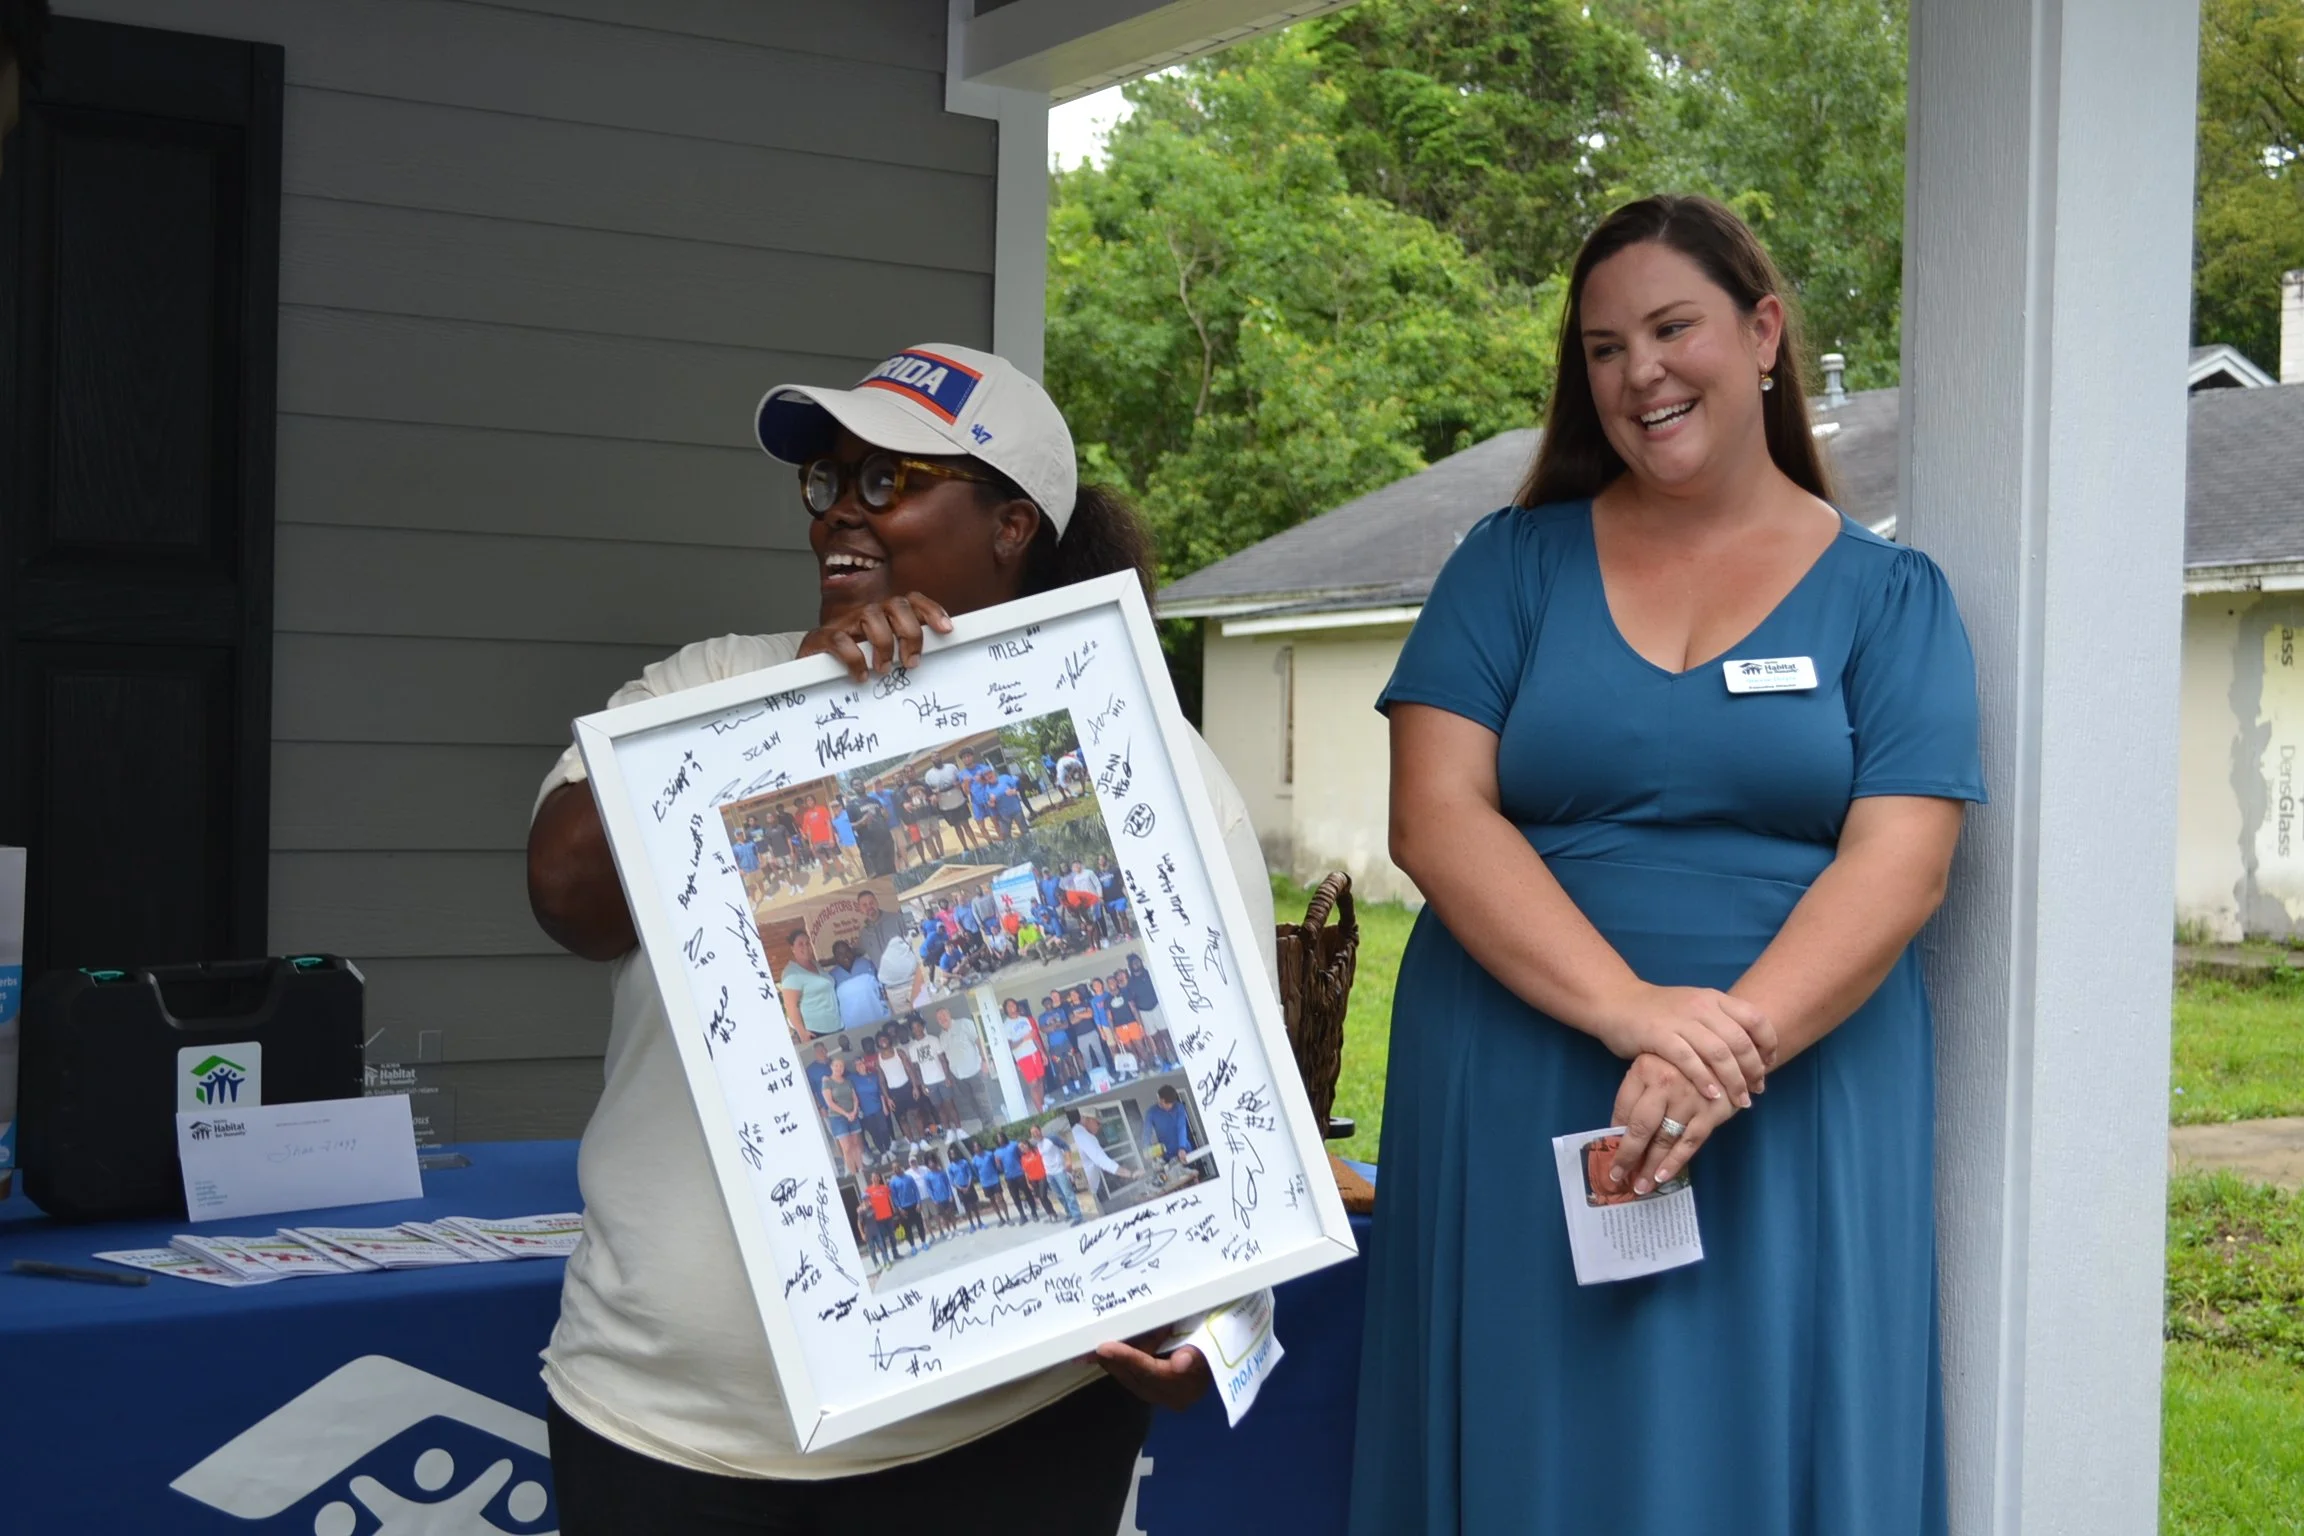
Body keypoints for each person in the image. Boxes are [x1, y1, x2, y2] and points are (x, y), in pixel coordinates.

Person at [524, 342, 1280, 1531]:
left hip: (1000, 1433)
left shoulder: (1142, 755)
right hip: (667, 1430)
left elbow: (1232, 1091)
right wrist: (784, 720)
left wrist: (1226, 1329)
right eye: (829, 481)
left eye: (891, 482)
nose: (843, 515)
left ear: (1013, 524)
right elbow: (566, 898)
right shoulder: (707, 689)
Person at [1348, 198, 1985, 1536]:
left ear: (1762, 335)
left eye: (1671, 327)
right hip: (1525, 1064)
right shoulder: (1504, 569)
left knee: (1759, 1446)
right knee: (1529, 1440)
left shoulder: (1893, 598)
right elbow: (1438, 814)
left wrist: (1716, 1056)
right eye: (1601, 347)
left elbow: (1903, 862)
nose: (1638, 372)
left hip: (1794, 1090)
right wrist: (1638, 1016)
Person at [777, 928, 839, 1041]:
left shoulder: (816, 965)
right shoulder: (791, 973)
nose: (805, 947)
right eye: (800, 944)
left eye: (807, 943)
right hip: (816, 1032)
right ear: (793, 949)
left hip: (834, 1025)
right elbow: (791, 1006)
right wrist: (802, 1033)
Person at [1067, 1109, 1123, 1209]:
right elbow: (1103, 1162)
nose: (1100, 1127)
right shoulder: (1083, 1136)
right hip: (1085, 1191)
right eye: (1098, 1123)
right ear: (1088, 1119)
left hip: (1088, 1187)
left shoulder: (1077, 1133)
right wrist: (1130, 1173)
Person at [818, 1057, 864, 1176]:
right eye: (836, 1065)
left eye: (841, 1066)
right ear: (832, 1067)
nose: (839, 1068)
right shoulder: (827, 1082)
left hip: (852, 1116)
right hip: (838, 1118)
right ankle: (854, 1173)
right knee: (847, 1148)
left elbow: (854, 1098)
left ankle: (861, 1169)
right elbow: (830, 1103)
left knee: (856, 1144)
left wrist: (854, 1112)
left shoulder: (848, 1081)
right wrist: (846, 1114)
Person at [1144, 1087, 1193, 1165]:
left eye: (1172, 1104)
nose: (1170, 1107)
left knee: (1194, 1173)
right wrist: (1146, 1149)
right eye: (1167, 1104)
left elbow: (1181, 1127)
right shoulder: (1151, 1113)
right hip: (1168, 1156)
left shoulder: (1179, 1107)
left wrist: (1182, 1147)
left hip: (1185, 1150)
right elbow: (1147, 1133)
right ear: (1160, 1100)